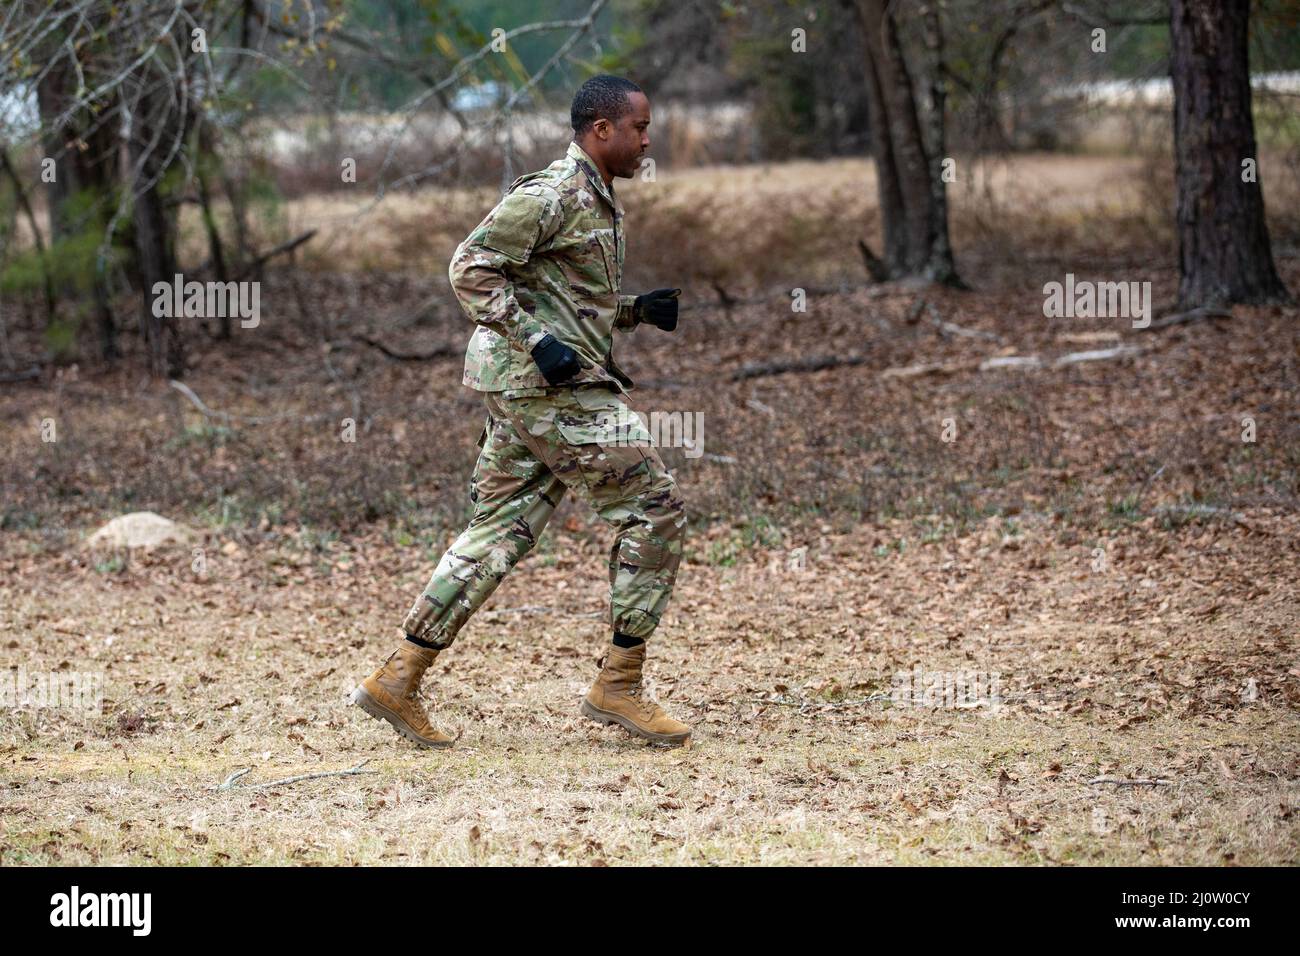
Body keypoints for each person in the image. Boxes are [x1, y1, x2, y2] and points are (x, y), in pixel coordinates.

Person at [350, 75, 691, 748]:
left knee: (499, 531)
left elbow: (557, 294)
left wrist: (632, 311)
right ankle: (618, 685)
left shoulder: (596, 198)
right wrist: (535, 341)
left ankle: (399, 676)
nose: (647, 140)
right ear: (601, 130)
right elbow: (469, 266)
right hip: (546, 391)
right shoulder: (553, 194)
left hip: (530, 389)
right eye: (639, 128)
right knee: (654, 507)